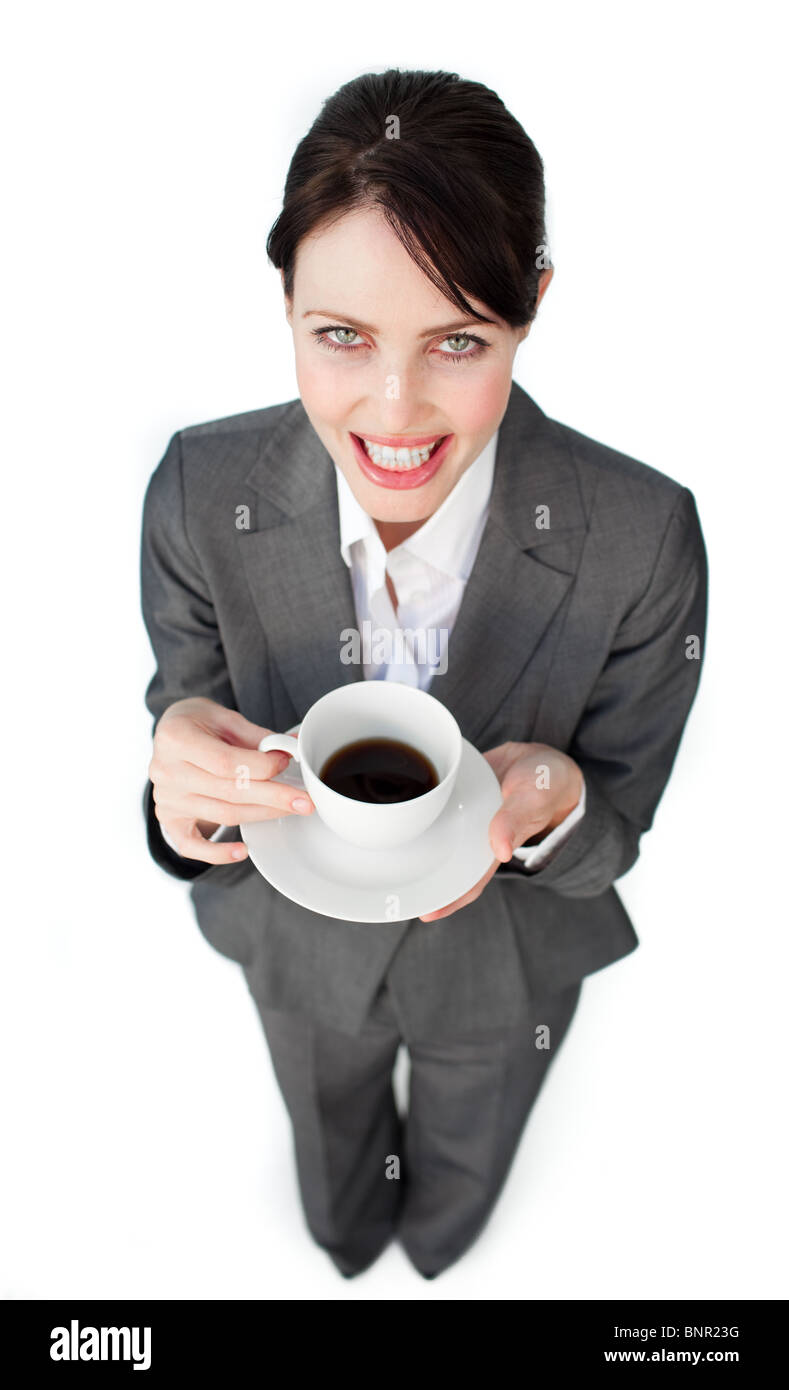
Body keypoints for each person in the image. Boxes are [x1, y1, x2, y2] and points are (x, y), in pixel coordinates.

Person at [140, 69, 708, 1281]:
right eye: (341, 334)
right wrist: (177, 801)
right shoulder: (198, 493)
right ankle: (346, 1249)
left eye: (458, 340)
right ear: (284, 297)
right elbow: (182, 736)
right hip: (294, 950)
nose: (395, 410)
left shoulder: (644, 535)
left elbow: (619, 828)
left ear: (532, 303)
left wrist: (553, 801)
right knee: (327, 1146)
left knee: (463, 1172)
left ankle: (441, 1258)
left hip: (504, 975)